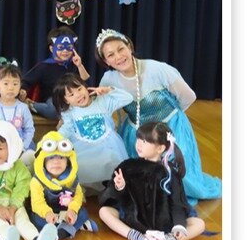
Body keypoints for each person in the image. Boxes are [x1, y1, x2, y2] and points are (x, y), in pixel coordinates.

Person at [95, 28, 222, 204]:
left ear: (129, 47)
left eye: (121, 49)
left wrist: (173, 119)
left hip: (169, 129)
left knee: (177, 173)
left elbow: (188, 96)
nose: (118, 56)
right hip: (136, 134)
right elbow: (103, 110)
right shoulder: (108, 80)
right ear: (106, 61)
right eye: (110, 55)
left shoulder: (157, 69)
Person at [98, 122, 206, 240]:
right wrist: (120, 187)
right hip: (135, 219)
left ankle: (168, 239)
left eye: (144, 141)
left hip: (164, 221)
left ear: (160, 148)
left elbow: (177, 202)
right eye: (138, 139)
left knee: (199, 224)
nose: (138, 144)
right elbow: (120, 199)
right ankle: (140, 238)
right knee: (104, 212)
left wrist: (179, 226)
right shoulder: (128, 166)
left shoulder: (169, 172)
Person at [52, 73, 131, 193]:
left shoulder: (103, 102)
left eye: (79, 89)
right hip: (83, 147)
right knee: (75, 164)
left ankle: (112, 191)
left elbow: (128, 98)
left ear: (86, 87)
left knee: (114, 162)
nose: (78, 95)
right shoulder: (70, 112)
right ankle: (80, 193)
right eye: (71, 94)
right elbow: (66, 129)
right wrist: (53, 139)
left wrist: (109, 90)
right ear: (66, 100)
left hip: (108, 146)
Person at [27, 130, 98, 240]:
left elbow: (78, 196)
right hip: (47, 214)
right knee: (36, 220)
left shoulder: (72, 178)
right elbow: (37, 203)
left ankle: (59, 233)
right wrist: (47, 213)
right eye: (51, 158)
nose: (56, 162)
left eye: (61, 157)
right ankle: (73, 227)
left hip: (66, 212)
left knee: (83, 212)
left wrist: (72, 211)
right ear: (42, 161)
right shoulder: (37, 181)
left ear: (68, 160)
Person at [20, 26, 90, 120]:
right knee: (54, 111)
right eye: (60, 47)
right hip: (53, 100)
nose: (65, 51)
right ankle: (31, 105)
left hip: (73, 98)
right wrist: (23, 90)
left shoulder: (74, 63)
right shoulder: (44, 66)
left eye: (69, 47)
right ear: (52, 49)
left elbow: (85, 81)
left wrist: (80, 65)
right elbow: (26, 81)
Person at [0, 64, 35, 166]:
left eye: (15, 84)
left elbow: (29, 130)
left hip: (20, 149)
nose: (11, 88)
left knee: (31, 157)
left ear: (20, 86)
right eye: (6, 84)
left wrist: (23, 147)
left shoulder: (23, 108)